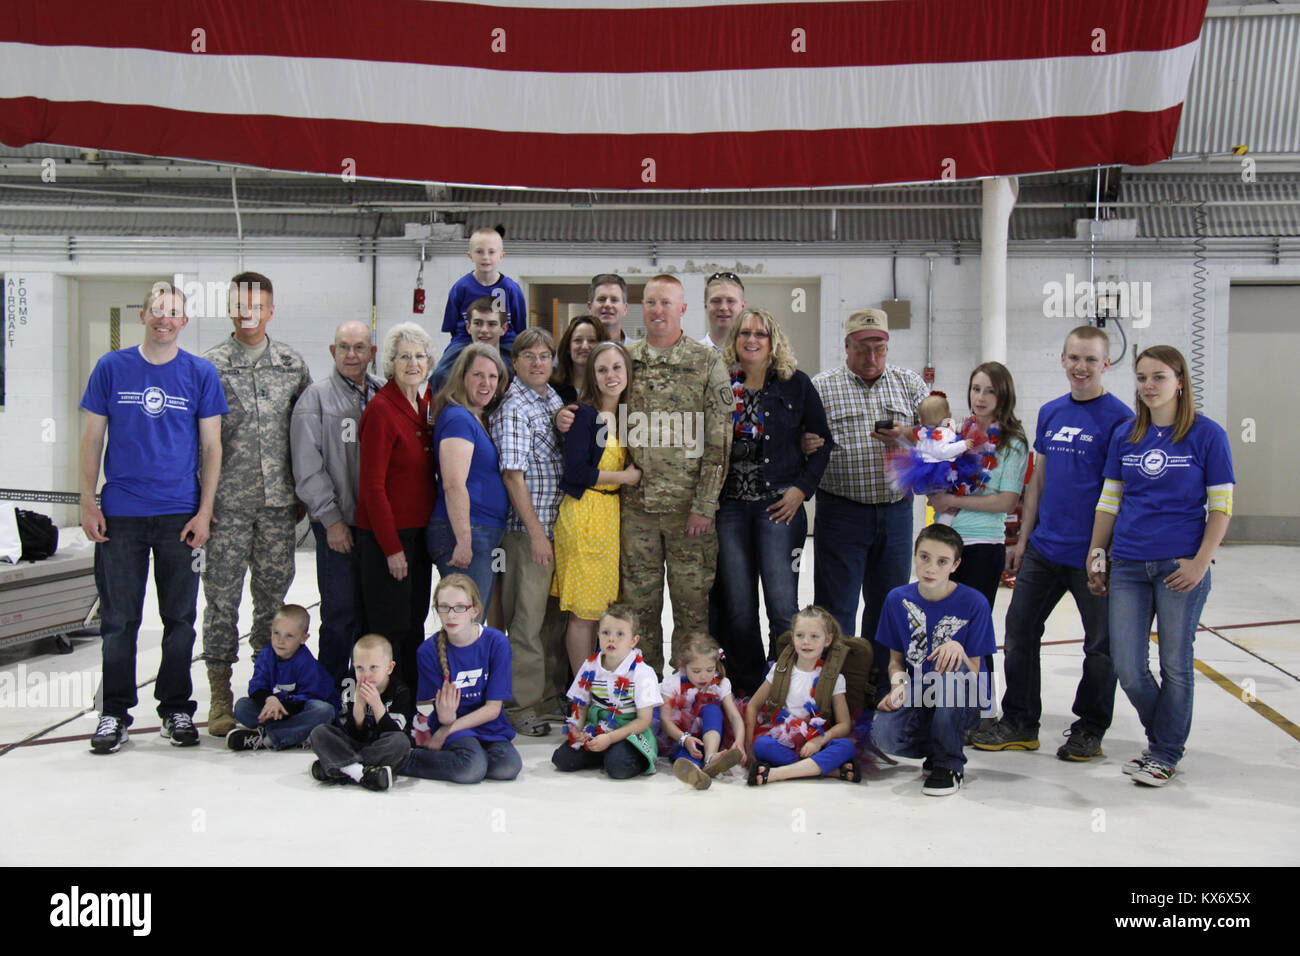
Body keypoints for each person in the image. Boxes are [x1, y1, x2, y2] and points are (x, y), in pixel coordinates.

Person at [971, 326, 1132, 760]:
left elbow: (1119, 491)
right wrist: (1024, 537)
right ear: (1062, 360)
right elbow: (1038, 479)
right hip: (1045, 547)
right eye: (1074, 358)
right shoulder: (1052, 413)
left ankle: (1090, 727)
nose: (1081, 367)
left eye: (1091, 360)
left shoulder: (1120, 419)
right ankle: (1020, 723)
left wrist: (1102, 552)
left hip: (1089, 553)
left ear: (1106, 364)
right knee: (1020, 632)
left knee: (1100, 645)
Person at [82, 281, 226, 754]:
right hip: (121, 515)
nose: (165, 319)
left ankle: (175, 709)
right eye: (157, 311)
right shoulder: (111, 368)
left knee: (180, 619)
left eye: (174, 313)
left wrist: (204, 512)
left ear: (184, 322)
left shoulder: (200, 374)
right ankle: (114, 713)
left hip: (179, 517)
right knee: (119, 620)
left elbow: (211, 447)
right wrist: (88, 500)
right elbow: (92, 439)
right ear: (143, 315)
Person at [1087, 346, 1233, 788]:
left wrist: (1201, 562)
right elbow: (1110, 500)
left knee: (1175, 663)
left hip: (1179, 566)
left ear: (1180, 382)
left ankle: (1165, 752)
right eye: (1142, 377)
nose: (1149, 386)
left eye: (1159, 377)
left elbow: (1222, 506)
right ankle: (1164, 740)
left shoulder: (1208, 436)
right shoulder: (1126, 435)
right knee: (1128, 666)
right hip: (1128, 563)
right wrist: (1097, 553)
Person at [202, 271, 312, 737]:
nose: (249, 313)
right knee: (221, 601)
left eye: (258, 306)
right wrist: (201, 506)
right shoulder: (208, 365)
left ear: (270, 310)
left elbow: (306, 433)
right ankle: (220, 694)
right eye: (241, 305)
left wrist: (305, 492)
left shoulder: (291, 363)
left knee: (271, 605)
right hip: (226, 504)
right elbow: (198, 442)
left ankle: (264, 684)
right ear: (231, 309)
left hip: (278, 506)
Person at [615, 274, 732, 676]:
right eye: (650, 302)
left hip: (689, 515)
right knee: (638, 609)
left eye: (666, 303)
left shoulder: (706, 361)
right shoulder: (626, 360)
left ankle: (690, 692)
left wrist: (705, 505)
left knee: (692, 609)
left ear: (683, 309)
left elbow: (719, 444)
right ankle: (644, 691)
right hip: (636, 511)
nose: (657, 310)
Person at [713, 307, 831, 695]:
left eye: (760, 334)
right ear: (735, 340)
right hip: (729, 508)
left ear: (772, 340)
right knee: (739, 607)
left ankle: (785, 686)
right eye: (745, 333)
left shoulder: (794, 384)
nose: (751, 340)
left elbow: (822, 443)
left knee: (782, 605)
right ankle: (748, 687)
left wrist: (800, 490)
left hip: (779, 507)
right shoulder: (719, 383)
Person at [812, 308, 927, 695]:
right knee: (837, 607)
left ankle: (878, 689)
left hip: (895, 513)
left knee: (888, 605)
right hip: (841, 511)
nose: (872, 355)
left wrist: (908, 435)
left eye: (879, 346)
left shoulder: (909, 384)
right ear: (846, 346)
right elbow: (804, 440)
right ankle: (835, 689)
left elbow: (938, 437)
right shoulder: (823, 387)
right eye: (863, 347)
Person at [872, 525, 998, 796]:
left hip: (964, 696)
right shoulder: (897, 599)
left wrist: (957, 649)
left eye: (942, 562)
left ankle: (950, 765)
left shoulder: (974, 602)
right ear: (914, 555)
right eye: (924, 557)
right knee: (882, 733)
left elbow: (975, 670)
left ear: (956, 565)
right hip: (922, 691)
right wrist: (898, 685)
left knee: (949, 666)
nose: (931, 568)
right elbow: (895, 662)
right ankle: (937, 746)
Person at [291, 320, 383, 686]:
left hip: (375, 527)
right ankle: (327, 692)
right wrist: (331, 520)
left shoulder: (382, 393)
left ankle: (364, 691)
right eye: (344, 346)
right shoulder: (315, 398)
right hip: (338, 526)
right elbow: (307, 465)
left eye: (360, 347)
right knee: (339, 610)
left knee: (368, 612)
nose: (351, 354)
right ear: (332, 351)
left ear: (371, 353)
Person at [491, 328, 567, 737]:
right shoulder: (515, 406)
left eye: (544, 356)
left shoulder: (549, 397)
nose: (538, 363)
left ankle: (549, 693)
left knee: (553, 620)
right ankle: (521, 704)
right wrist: (536, 534)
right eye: (529, 357)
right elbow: (513, 475)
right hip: (527, 532)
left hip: (557, 530)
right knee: (527, 622)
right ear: (515, 363)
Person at [552, 342, 642, 677]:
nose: (611, 375)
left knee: (598, 609)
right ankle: (581, 690)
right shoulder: (584, 414)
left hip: (608, 516)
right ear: (592, 375)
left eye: (617, 367)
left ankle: (597, 681)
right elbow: (575, 472)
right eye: (602, 369)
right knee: (583, 613)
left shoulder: (625, 415)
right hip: (584, 513)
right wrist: (625, 477)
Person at [355, 322, 436, 693]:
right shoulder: (382, 410)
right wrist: (392, 548)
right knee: (391, 625)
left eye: (419, 356)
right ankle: (386, 701)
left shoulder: (422, 403)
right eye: (404, 356)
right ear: (390, 363)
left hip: (418, 535)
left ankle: (409, 694)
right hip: (389, 538)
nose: (413, 363)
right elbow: (372, 487)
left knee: (415, 619)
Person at [404, 574, 523, 785]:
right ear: (436, 609)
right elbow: (427, 708)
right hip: (450, 726)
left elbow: (493, 709)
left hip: (486, 724)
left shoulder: (497, 643)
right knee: (470, 770)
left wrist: (448, 728)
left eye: (460, 607)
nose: (451, 615)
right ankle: (405, 760)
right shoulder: (428, 651)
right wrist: (445, 721)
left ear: (474, 610)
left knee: (508, 767)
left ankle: (467, 759)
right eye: (444, 607)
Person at [427, 343, 510, 605]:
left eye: (493, 376)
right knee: (464, 623)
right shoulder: (458, 418)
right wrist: (464, 541)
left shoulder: (475, 417)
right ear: (462, 376)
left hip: (481, 530)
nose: (486, 383)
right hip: (466, 531)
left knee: (471, 622)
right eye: (478, 375)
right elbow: (453, 484)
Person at [744, 606, 858, 786]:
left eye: (814, 636)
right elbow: (753, 705)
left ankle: (776, 773)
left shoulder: (834, 678)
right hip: (783, 738)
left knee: (847, 747)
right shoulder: (779, 670)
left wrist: (820, 740)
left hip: (816, 740)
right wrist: (749, 746)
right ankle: (831, 771)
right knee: (762, 745)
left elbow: (844, 724)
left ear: (827, 640)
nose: (806, 642)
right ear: (792, 637)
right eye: (800, 636)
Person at [552, 604, 663, 778]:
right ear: (598, 636)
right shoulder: (590, 665)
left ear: (633, 641)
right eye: (606, 633)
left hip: (629, 732)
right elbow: (581, 705)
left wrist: (611, 738)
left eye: (620, 634)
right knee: (562, 759)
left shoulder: (642, 672)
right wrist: (576, 728)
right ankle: (604, 752)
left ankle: (622, 755)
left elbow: (644, 721)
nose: (612, 639)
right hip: (598, 729)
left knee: (618, 768)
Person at [308, 632, 412, 791]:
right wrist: (358, 709)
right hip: (355, 746)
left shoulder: (400, 691)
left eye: (373, 668)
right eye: (359, 668)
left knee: (401, 743)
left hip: (380, 748)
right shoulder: (352, 687)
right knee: (319, 732)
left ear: (389, 668)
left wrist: (377, 706)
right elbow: (352, 735)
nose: (366, 675)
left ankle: (337, 766)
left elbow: (395, 733)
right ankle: (360, 772)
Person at [228, 605, 339, 751]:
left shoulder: (306, 663)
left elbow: (310, 698)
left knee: (324, 711)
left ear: (303, 638)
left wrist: (280, 707)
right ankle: (295, 734)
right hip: (276, 709)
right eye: (276, 633)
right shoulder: (267, 654)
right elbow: (256, 685)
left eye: (289, 636)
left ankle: (269, 739)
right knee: (242, 707)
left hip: (299, 710)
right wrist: (270, 700)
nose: (280, 641)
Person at [428, 227, 526, 391]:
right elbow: (452, 326)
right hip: (465, 341)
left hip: (504, 342)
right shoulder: (461, 287)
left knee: (518, 374)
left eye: (491, 252)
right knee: (440, 374)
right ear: (470, 255)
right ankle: (443, 410)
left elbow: (520, 327)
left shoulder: (512, 289)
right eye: (479, 252)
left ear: (501, 256)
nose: (486, 257)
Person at [659, 632, 746, 790]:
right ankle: (695, 771)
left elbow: (735, 716)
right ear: (683, 666)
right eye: (697, 671)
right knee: (688, 753)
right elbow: (665, 720)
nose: (704, 676)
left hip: (713, 735)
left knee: (712, 709)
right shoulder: (672, 683)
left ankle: (711, 757)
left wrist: (739, 741)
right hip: (682, 737)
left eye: (709, 670)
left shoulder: (720, 683)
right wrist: (684, 739)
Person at [551, 313, 609, 404]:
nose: (585, 346)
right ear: (568, 347)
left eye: (592, 340)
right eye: (578, 340)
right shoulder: (551, 388)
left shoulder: (611, 387)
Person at [700, 272, 745, 350]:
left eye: (730, 301)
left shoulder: (752, 355)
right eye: (716, 301)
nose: (723, 308)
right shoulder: (690, 355)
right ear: (705, 305)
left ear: (742, 306)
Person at [587, 273, 629, 343]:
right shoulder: (581, 351)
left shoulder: (639, 353)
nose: (608, 304)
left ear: (625, 308)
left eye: (614, 300)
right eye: (601, 299)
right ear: (590, 307)